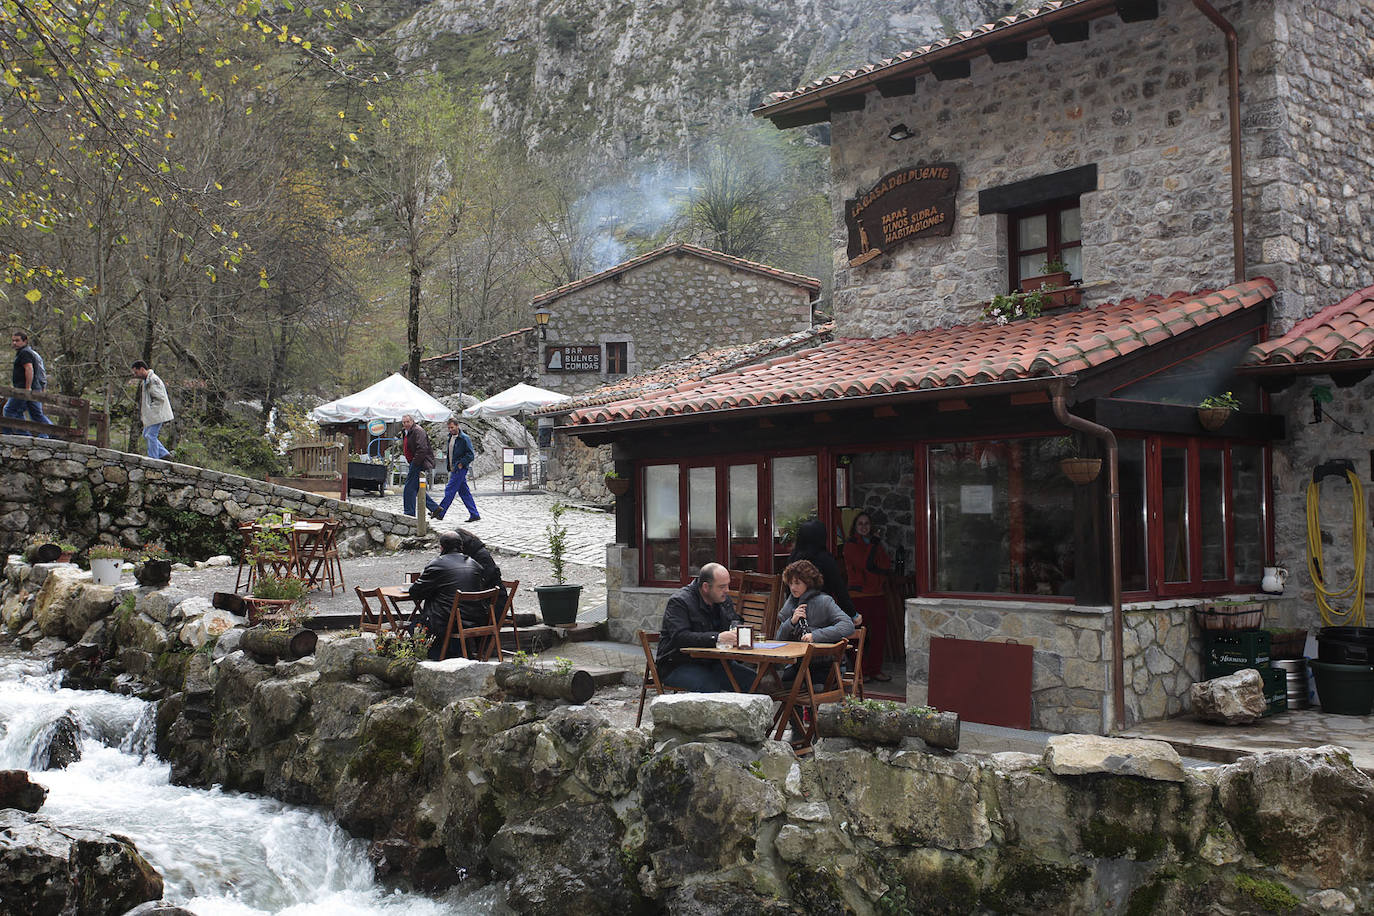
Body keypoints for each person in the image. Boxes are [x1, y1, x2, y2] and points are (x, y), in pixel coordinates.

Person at [656, 562, 755, 692]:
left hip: (714, 662)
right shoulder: (679, 601)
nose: (727, 590)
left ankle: (742, 712)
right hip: (677, 664)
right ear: (705, 587)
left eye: (728, 585)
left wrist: (736, 632)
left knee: (753, 680)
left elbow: (735, 620)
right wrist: (717, 638)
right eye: (722, 587)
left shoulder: (723, 599)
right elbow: (681, 637)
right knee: (709, 685)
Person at [407, 532, 489, 660]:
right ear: (461, 546)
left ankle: (436, 656)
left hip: (446, 622)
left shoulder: (437, 564)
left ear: (442, 547)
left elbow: (415, 592)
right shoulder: (474, 564)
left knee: (415, 626)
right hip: (476, 619)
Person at [775, 559, 855, 686]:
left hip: (826, 664)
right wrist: (791, 622)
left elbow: (848, 625)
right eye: (790, 583)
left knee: (809, 686)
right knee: (784, 684)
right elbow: (778, 641)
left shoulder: (824, 601)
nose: (793, 588)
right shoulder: (789, 604)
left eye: (797, 583)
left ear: (808, 583)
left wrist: (815, 635)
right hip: (799, 663)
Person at [842, 512, 893, 682]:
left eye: (867, 523)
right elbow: (865, 564)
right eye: (860, 524)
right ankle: (861, 671)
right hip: (859, 596)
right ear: (855, 527)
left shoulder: (875, 544)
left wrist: (875, 568)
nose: (864, 527)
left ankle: (875, 670)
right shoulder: (850, 545)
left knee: (879, 635)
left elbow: (885, 564)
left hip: (877, 593)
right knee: (858, 636)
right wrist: (873, 547)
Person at [4, 330, 52, 436]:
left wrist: (27, 388)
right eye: (13, 341)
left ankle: (21, 435)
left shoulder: (24, 353)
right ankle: (52, 435)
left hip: (24, 389)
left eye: (17, 341)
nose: (14, 343)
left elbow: (29, 369)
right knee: (36, 414)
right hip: (34, 388)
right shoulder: (30, 353)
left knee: (9, 410)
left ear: (25, 341)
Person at [434, 418, 480, 522]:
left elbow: (470, 455)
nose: (450, 429)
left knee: (449, 490)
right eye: (449, 428)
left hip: (460, 469)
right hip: (453, 468)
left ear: (457, 426)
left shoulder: (464, 438)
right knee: (464, 493)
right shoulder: (450, 437)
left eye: (452, 427)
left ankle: (440, 512)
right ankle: (474, 514)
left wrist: (461, 463)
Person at [131, 360, 173, 459]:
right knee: (146, 434)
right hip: (154, 414)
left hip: (157, 413)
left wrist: (151, 411)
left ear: (142, 369)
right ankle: (164, 454)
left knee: (150, 435)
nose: (135, 375)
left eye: (136, 372)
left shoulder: (153, 380)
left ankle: (154, 459)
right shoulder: (147, 380)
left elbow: (160, 398)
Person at [400, 414, 437, 518]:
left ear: (412, 421)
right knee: (416, 488)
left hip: (418, 462)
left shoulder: (418, 431)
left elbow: (422, 448)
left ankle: (409, 512)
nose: (406, 424)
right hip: (414, 461)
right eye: (404, 422)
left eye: (407, 422)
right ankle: (435, 508)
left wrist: (415, 463)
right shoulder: (406, 432)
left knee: (408, 488)